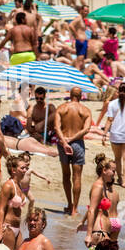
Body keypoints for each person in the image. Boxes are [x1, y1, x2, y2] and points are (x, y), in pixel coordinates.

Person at [51, 85, 92, 216]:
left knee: (66, 175)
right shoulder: (85, 110)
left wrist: (64, 141)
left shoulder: (62, 108)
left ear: (70, 95)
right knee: (77, 177)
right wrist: (72, 139)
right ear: (81, 96)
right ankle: (75, 209)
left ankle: (69, 204)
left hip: (63, 143)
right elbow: (86, 129)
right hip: (77, 144)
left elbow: (56, 128)